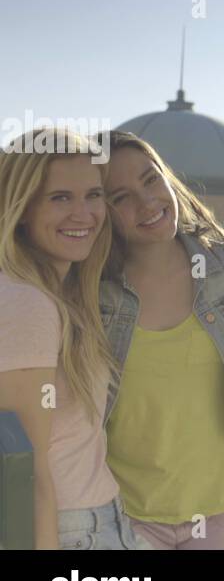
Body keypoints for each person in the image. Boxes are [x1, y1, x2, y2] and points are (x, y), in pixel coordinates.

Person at [100, 131, 224, 549]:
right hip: (127, 515)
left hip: (223, 508)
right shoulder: (91, 293)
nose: (147, 201)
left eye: (151, 179)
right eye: (121, 197)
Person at [0, 129, 148, 549]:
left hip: (99, 520)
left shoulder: (57, 294)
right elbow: (27, 473)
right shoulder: (27, 304)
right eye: (60, 197)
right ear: (22, 207)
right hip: (68, 530)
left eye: (94, 195)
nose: (84, 214)